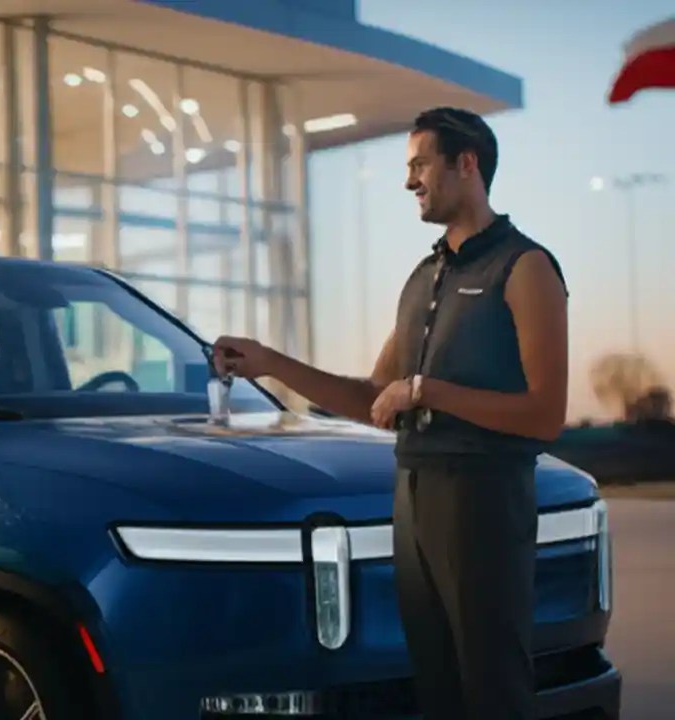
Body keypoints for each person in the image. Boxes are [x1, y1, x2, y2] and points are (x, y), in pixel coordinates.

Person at [213, 107, 568, 720]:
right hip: (412, 499)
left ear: (466, 163)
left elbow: (545, 415)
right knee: (437, 690)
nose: (409, 181)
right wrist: (269, 363)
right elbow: (374, 398)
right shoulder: (424, 278)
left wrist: (427, 391)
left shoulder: (524, 266)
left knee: (493, 690)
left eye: (420, 165)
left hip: (484, 501)